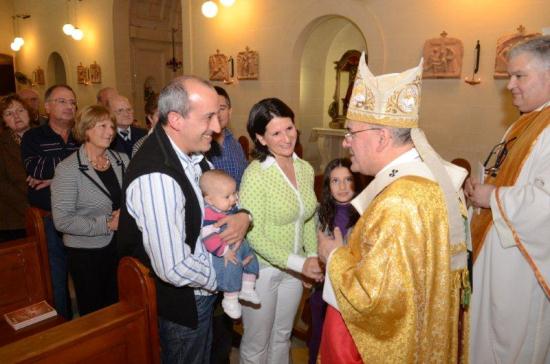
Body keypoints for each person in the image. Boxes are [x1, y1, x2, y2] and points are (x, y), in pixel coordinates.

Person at [317, 54, 470, 363]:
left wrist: (332, 256)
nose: (346, 143)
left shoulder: (399, 201)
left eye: (351, 132)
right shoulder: (429, 182)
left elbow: (377, 302)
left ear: (382, 138)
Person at [117, 76, 251, 364]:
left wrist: (243, 215)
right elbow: (173, 267)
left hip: (203, 289)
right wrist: (226, 276)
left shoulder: (194, 156)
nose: (217, 128)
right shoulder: (157, 176)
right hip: (185, 302)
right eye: (209, 117)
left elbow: (222, 200)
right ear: (176, 119)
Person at [466, 35, 550, 363]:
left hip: (522, 270)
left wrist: (494, 197)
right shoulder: (524, 123)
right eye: (509, 76)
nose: (510, 85)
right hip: (497, 260)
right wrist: (482, 190)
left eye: (519, 76)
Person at [239, 97, 323, 364]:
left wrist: (311, 258)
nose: (286, 138)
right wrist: (299, 262)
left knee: (282, 337)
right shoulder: (256, 174)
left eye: (289, 128)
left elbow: (308, 219)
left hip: (294, 270)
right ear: (261, 139)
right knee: (256, 344)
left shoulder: (304, 168)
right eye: (276, 133)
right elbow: (252, 233)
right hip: (261, 271)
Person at [51, 105, 128, 316]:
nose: (110, 131)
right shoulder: (68, 169)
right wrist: (107, 224)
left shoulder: (121, 160)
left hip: (120, 247)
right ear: (85, 130)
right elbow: (62, 221)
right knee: (95, 312)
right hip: (87, 253)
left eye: (111, 126)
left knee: (121, 306)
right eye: (102, 125)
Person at [21, 84, 80, 320]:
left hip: (81, 214)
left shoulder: (82, 134)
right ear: (47, 107)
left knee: (85, 272)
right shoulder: (33, 136)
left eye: (72, 102)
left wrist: (54, 178)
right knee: (56, 276)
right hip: (49, 217)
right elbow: (35, 168)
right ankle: (63, 325)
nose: (69, 106)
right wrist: (76, 164)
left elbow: (95, 164)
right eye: (62, 101)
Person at [308, 158, 359, 364]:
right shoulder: (320, 213)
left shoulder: (367, 213)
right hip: (323, 287)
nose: (343, 187)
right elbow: (312, 247)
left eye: (348, 180)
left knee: (345, 345)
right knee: (319, 336)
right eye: (335, 181)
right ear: (328, 186)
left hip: (352, 289)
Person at [200, 169, 260, 319]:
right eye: (227, 196)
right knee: (231, 268)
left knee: (252, 259)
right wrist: (224, 251)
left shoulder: (231, 207)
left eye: (235, 193)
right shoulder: (209, 214)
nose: (233, 199)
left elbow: (246, 216)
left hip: (240, 245)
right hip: (224, 251)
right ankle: (230, 299)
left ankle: (247, 288)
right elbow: (208, 237)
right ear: (210, 200)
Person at [0, 94, 32, 242]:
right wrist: (31, 205)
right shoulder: (2, 144)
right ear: (4, 121)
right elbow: (3, 185)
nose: (16, 116)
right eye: (9, 113)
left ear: (28, 112)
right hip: (15, 218)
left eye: (20, 110)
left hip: (54, 210)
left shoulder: (46, 135)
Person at [206, 86, 248, 186]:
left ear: (230, 112)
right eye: (213, 110)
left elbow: (245, 176)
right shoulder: (200, 145)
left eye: (222, 108)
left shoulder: (235, 144)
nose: (218, 114)